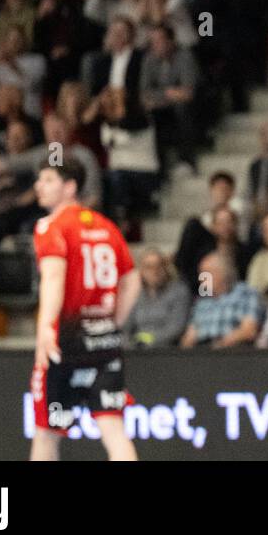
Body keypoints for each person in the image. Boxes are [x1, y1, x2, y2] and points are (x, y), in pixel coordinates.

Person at [29, 161, 140, 461]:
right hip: (104, 342)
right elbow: (132, 280)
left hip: (64, 342)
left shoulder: (51, 226)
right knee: (114, 431)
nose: (39, 186)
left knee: (46, 432)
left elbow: (54, 277)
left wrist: (45, 328)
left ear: (70, 187)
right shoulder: (106, 226)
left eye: (48, 179)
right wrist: (112, 321)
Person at [122, 248, 191, 349]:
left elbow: (176, 328)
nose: (154, 271)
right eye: (148, 267)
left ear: (166, 268)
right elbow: (125, 326)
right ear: (141, 271)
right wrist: (129, 344)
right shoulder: (136, 293)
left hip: (167, 351)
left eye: (159, 266)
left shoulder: (179, 290)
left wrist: (147, 340)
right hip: (136, 351)